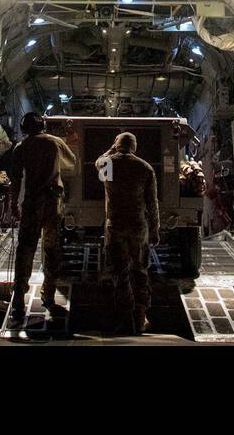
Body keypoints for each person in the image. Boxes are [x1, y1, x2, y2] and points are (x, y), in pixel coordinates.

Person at [7, 112, 76, 317]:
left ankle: (19, 298)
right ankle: (49, 296)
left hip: (31, 204)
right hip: (53, 205)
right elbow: (72, 162)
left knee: (26, 250)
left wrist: (13, 204)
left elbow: (16, 178)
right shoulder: (55, 142)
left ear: (24, 128)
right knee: (51, 250)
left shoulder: (21, 147)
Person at [95, 132, 159, 335]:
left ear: (117, 145)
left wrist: (112, 149)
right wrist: (155, 230)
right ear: (134, 146)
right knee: (140, 271)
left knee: (121, 274)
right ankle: (141, 317)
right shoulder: (145, 167)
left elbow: (98, 163)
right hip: (138, 226)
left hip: (115, 225)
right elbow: (152, 203)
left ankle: (126, 319)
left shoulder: (108, 164)